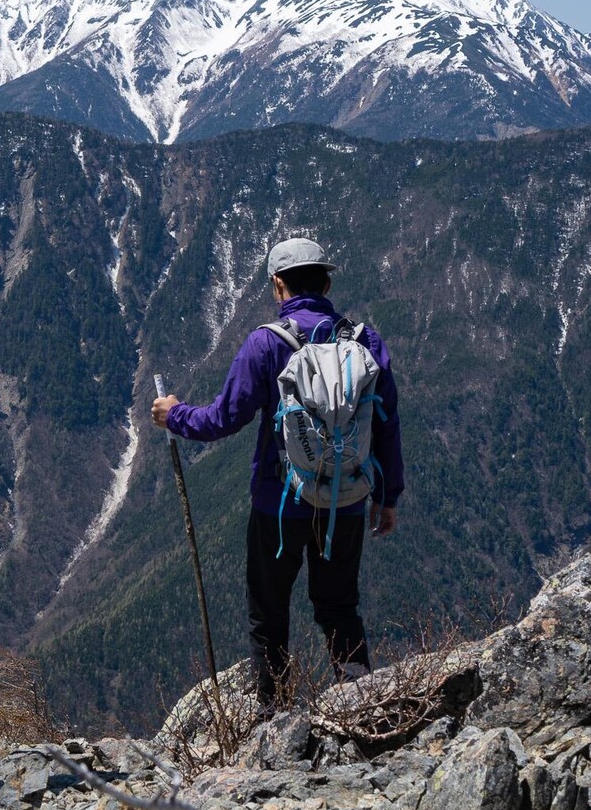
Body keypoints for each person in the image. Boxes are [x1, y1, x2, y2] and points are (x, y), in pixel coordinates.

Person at [151, 237, 403, 710]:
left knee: (268, 614)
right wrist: (387, 498)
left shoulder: (266, 343)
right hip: (346, 500)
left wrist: (175, 415)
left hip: (280, 505)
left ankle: (274, 714)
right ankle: (363, 705)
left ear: (278, 286)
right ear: (327, 284)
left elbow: (223, 419)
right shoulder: (365, 342)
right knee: (339, 608)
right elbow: (386, 426)